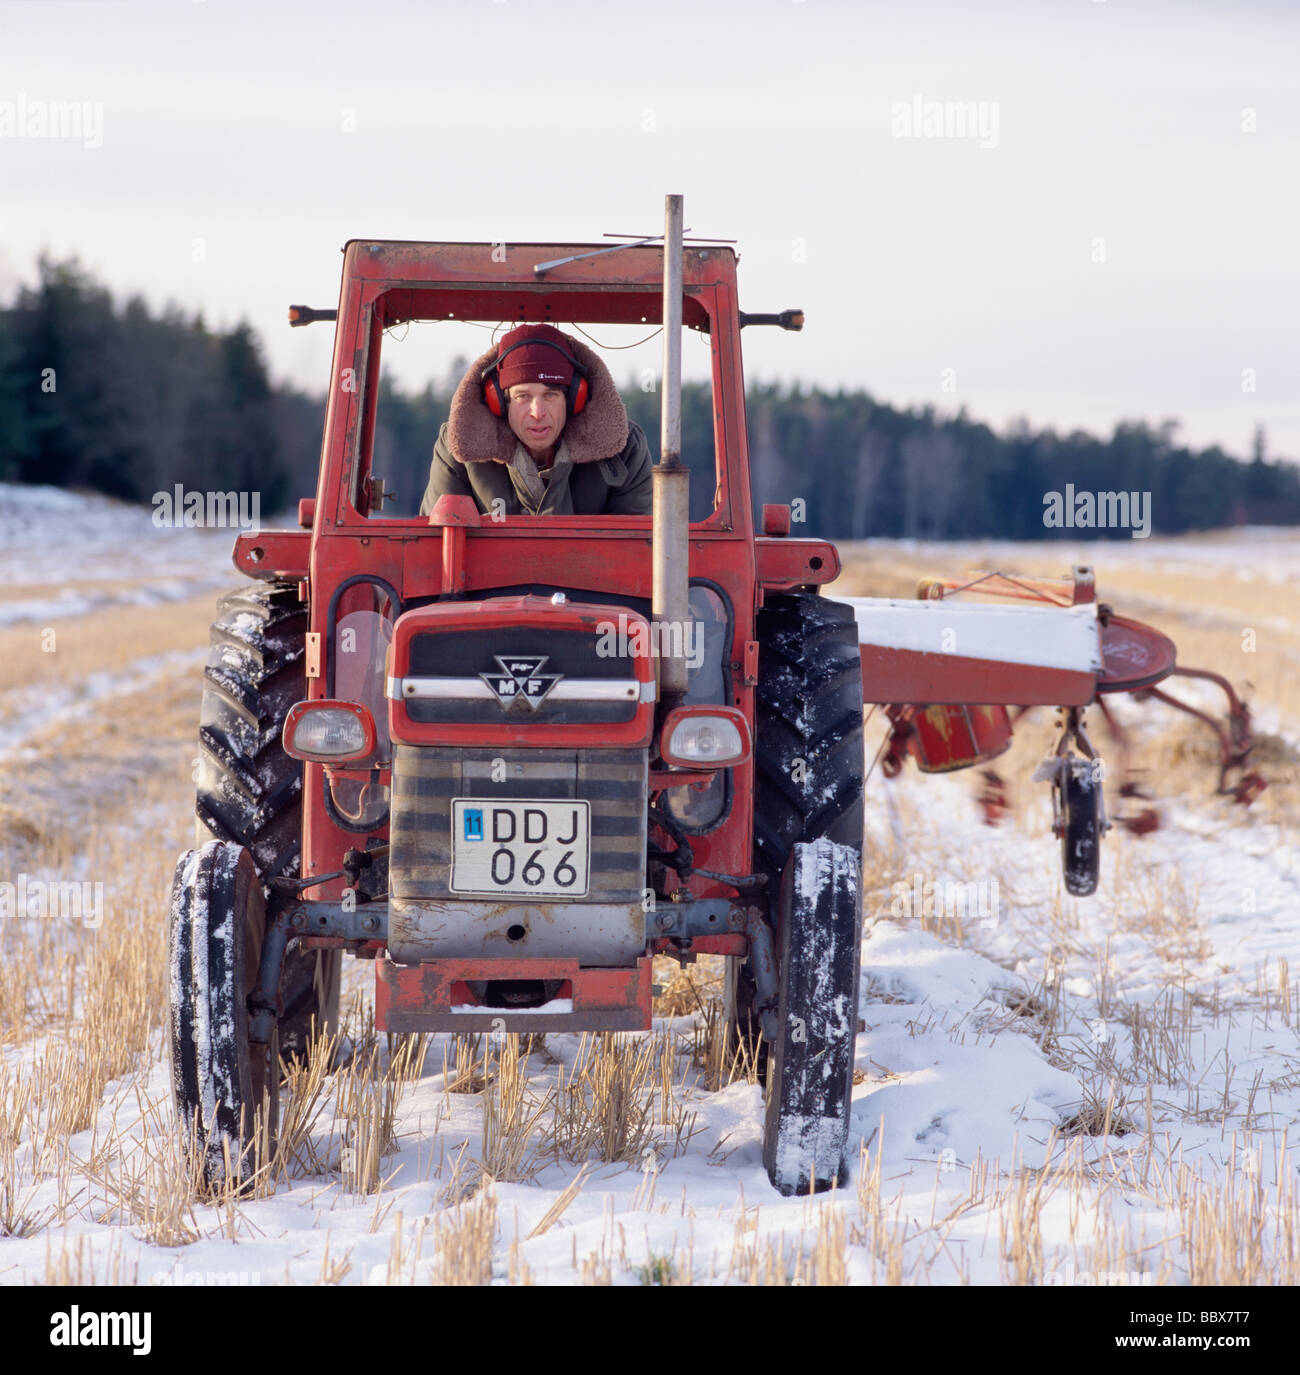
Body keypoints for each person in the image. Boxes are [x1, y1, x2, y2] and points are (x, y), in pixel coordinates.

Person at [419, 323, 654, 518]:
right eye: (523, 396)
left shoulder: (624, 448)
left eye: (550, 395)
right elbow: (436, 546)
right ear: (499, 401)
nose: (537, 412)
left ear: (574, 398)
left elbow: (637, 549)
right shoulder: (458, 447)